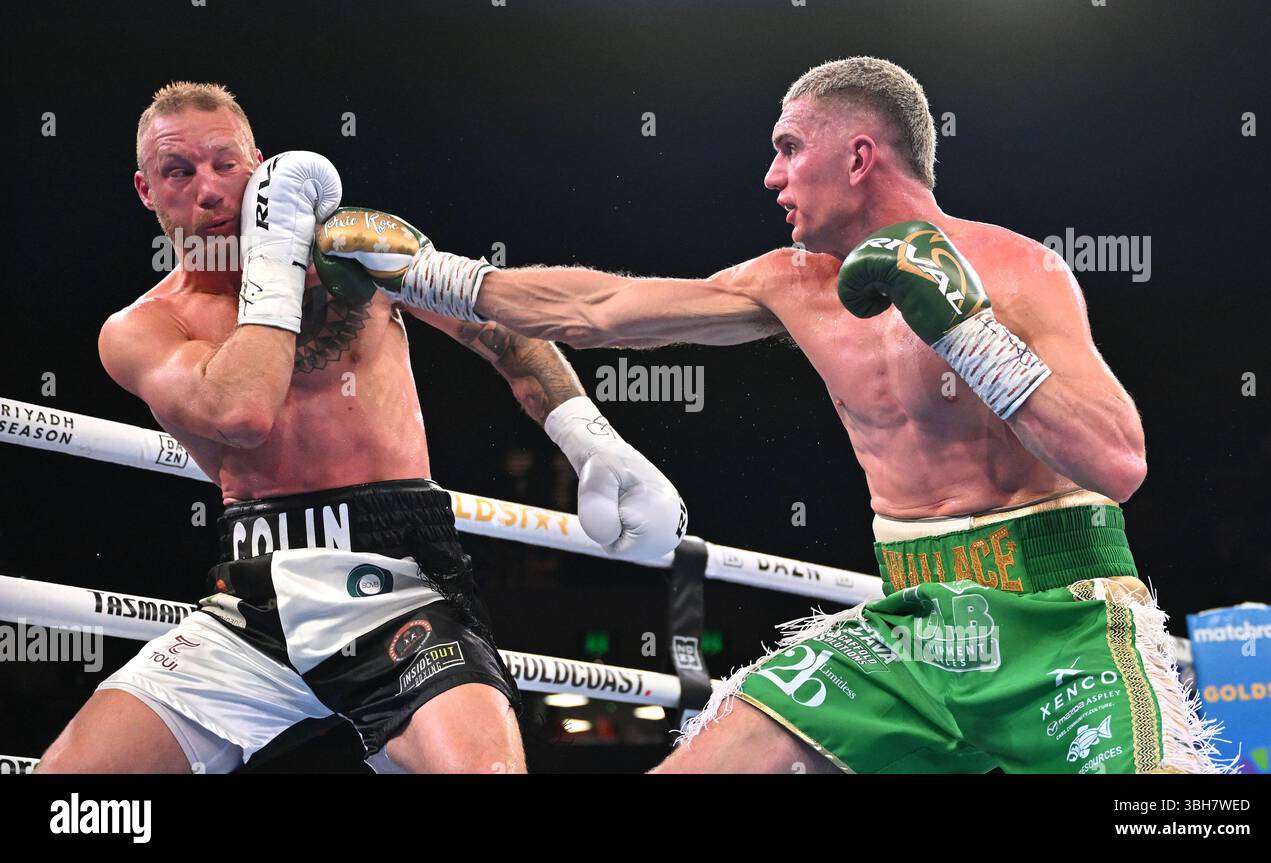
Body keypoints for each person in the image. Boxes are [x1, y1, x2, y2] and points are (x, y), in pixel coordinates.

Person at [391, 57, 1228, 773]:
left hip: (1062, 615)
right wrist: (420, 273)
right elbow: (601, 308)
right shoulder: (789, 283)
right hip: (918, 624)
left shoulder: (1018, 272)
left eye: (789, 148)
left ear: (859, 155)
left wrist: (967, 331)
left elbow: (1118, 462)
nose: (772, 176)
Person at [35, 82, 685, 774]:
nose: (210, 190)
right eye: (179, 171)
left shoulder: (357, 250)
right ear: (145, 189)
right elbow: (242, 411)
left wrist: (592, 440)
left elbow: (499, 330)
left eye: (227, 164)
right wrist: (275, 257)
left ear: (261, 164)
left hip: (402, 577)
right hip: (254, 596)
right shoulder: (141, 329)